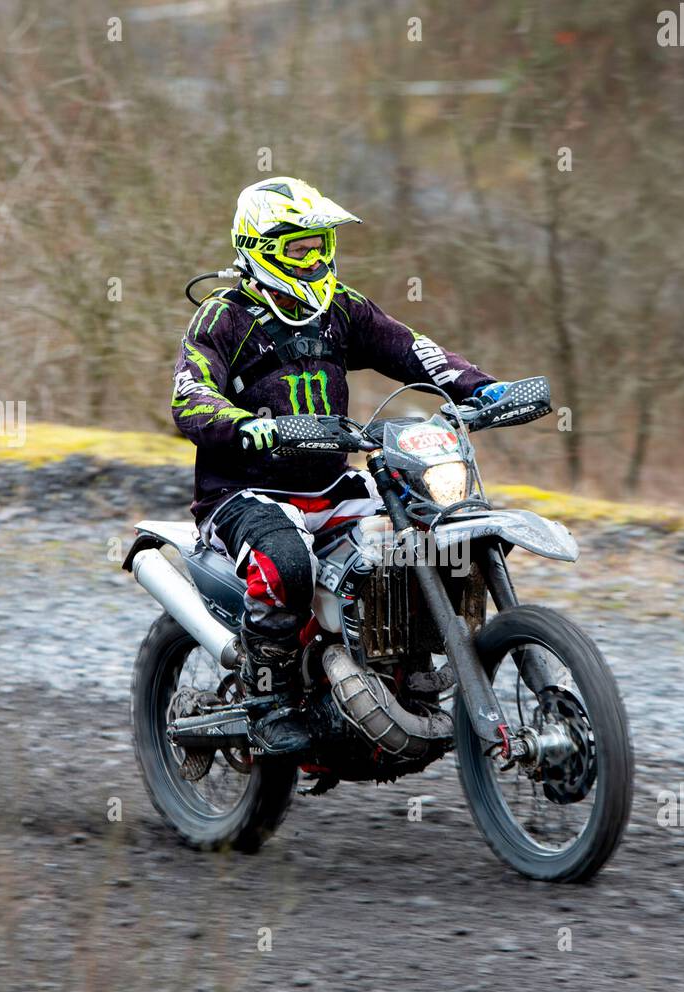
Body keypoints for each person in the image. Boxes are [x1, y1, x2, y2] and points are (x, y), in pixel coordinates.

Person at [172, 176, 509, 755]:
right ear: (259, 248)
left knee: (439, 527)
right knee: (284, 564)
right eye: (299, 249)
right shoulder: (222, 319)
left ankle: (411, 661)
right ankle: (269, 698)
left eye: (321, 246)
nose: (315, 260)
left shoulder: (342, 310)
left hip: (333, 484)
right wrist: (247, 425)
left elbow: (412, 350)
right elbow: (190, 394)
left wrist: (482, 388)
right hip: (244, 494)